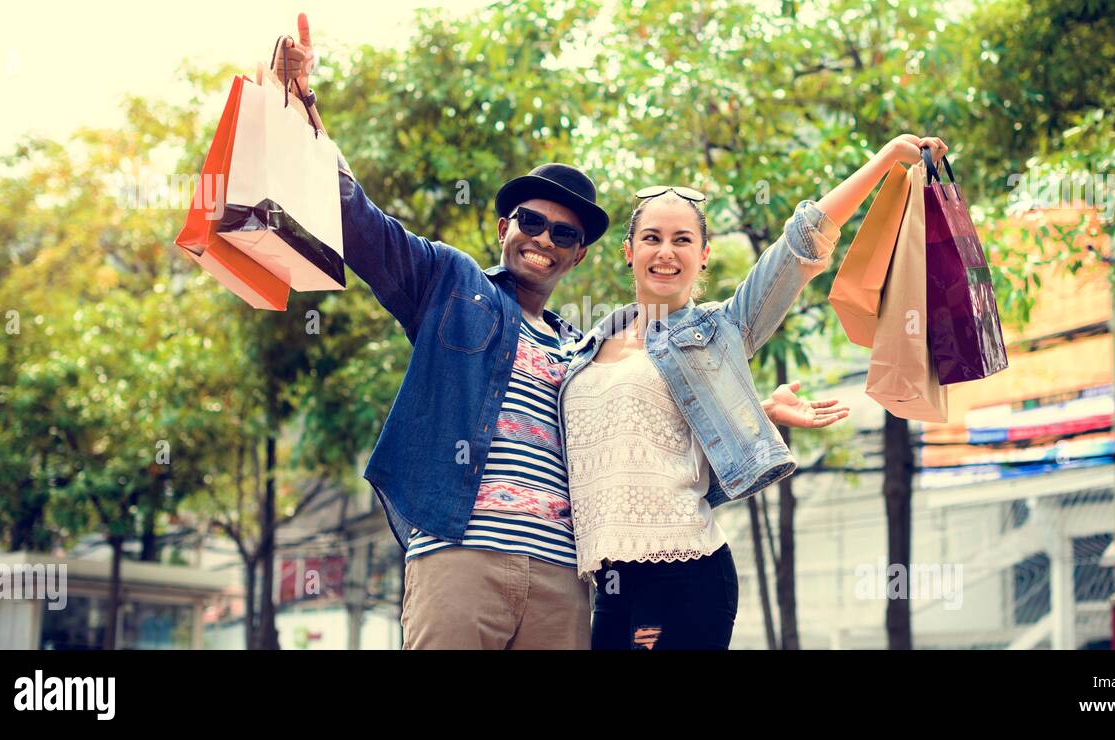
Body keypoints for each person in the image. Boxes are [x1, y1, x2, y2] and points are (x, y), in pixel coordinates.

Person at [273, 13, 852, 650]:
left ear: (578, 255)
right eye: (531, 221)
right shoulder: (448, 285)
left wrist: (746, 407)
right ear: (504, 227)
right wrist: (305, 114)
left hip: (567, 581)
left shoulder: (583, 350)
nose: (544, 239)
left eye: (565, 234)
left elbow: (642, 435)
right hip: (462, 556)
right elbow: (365, 228)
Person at [561, 132, 947, 650]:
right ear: (629, 252)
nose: (666, 252)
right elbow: (645, 433)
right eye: (652, 238)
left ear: (703, 256)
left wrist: (885, 160)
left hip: (686, 572)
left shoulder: (720, 330)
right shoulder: (583, 347)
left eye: (682, 240)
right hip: (608, 585)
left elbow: (800, 247)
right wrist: (756, 409)